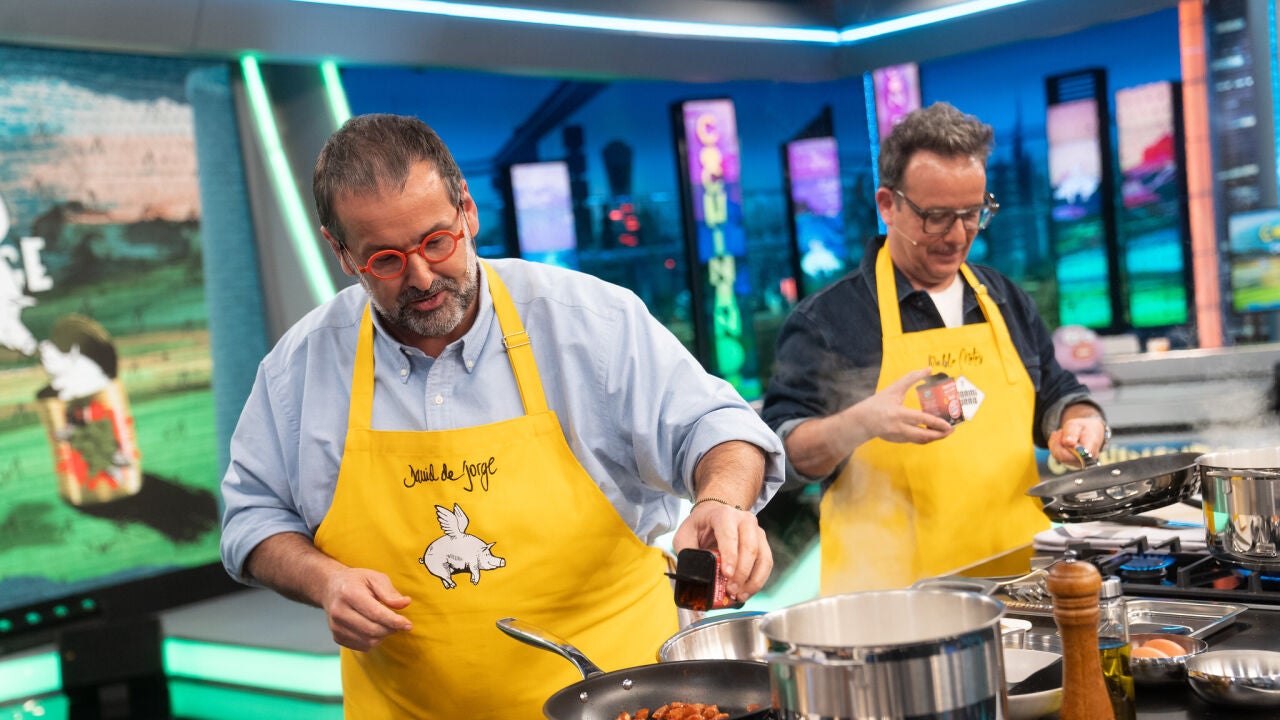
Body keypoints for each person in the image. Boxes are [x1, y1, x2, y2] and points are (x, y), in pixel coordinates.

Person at [219, 113, 784, 719]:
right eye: (385, 259)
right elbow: (251, 519)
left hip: (624, 702)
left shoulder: (589, 322)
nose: (421, 276)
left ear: (468, 211)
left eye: (437, 240)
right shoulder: (299, 369)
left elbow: (718, 427)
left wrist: (721, 502)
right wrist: (322, 580)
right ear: (340, 252)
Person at [761, 102, 1108, 595]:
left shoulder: (1004, 298)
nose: (958, 235)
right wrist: (858, 423)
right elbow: (780, 456)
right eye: (936, 217)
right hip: (893, 601)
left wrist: (1080, 420)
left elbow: (1057, 394)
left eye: (973, 214)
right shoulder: (828, 322)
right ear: (888, 205)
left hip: (1021, 583)